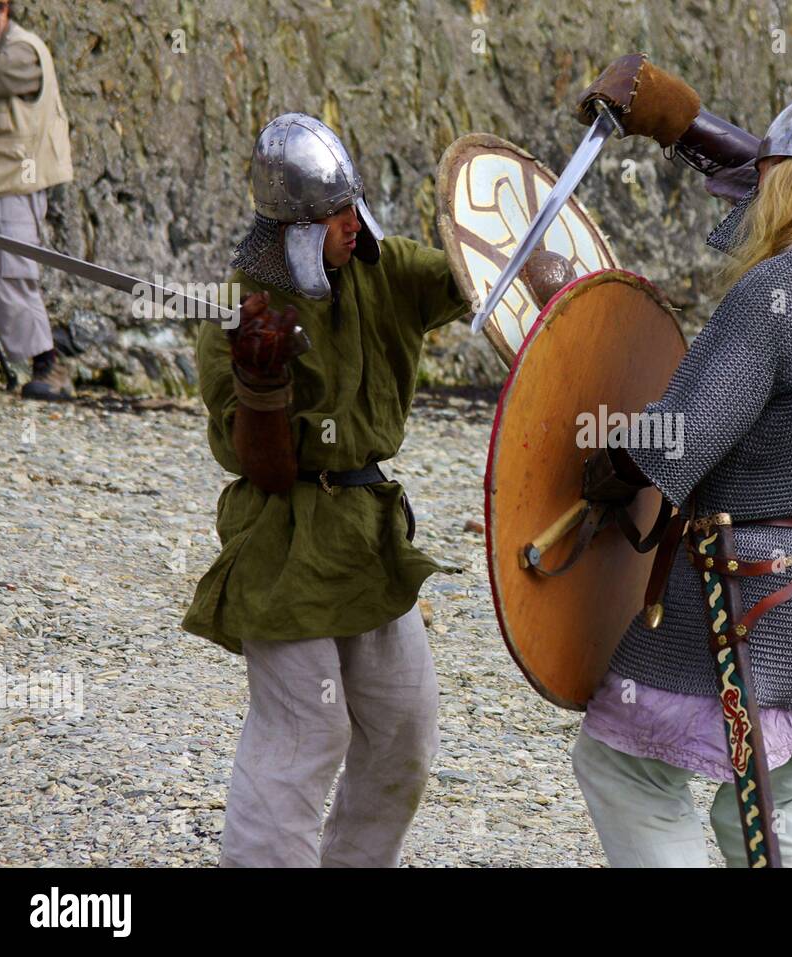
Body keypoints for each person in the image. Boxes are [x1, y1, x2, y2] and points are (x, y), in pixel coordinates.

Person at [569, 56, 792, 867]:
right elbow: (785, 178)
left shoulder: (774, 295)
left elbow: (678, 440)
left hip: (746, 592)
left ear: (788, 187)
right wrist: (681, 128)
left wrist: (600, 462)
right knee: (771, 799)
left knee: (625, 766)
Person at [181, 113, 469, 867]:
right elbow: (264, 467)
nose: (351, 224)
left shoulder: (387, 269)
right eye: (332, 214)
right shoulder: (239, 308)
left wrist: (530, 250)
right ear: (292, 227)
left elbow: (479, 281)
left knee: (405, 728)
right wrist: (261, 381)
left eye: (352, 205)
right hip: (282, 541)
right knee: (305, 732)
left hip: (370, 536)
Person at [0, 0, 73, 399]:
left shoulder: (22, 53)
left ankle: (49, 367)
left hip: (12, 188)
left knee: (12, 278)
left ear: (2, 11)